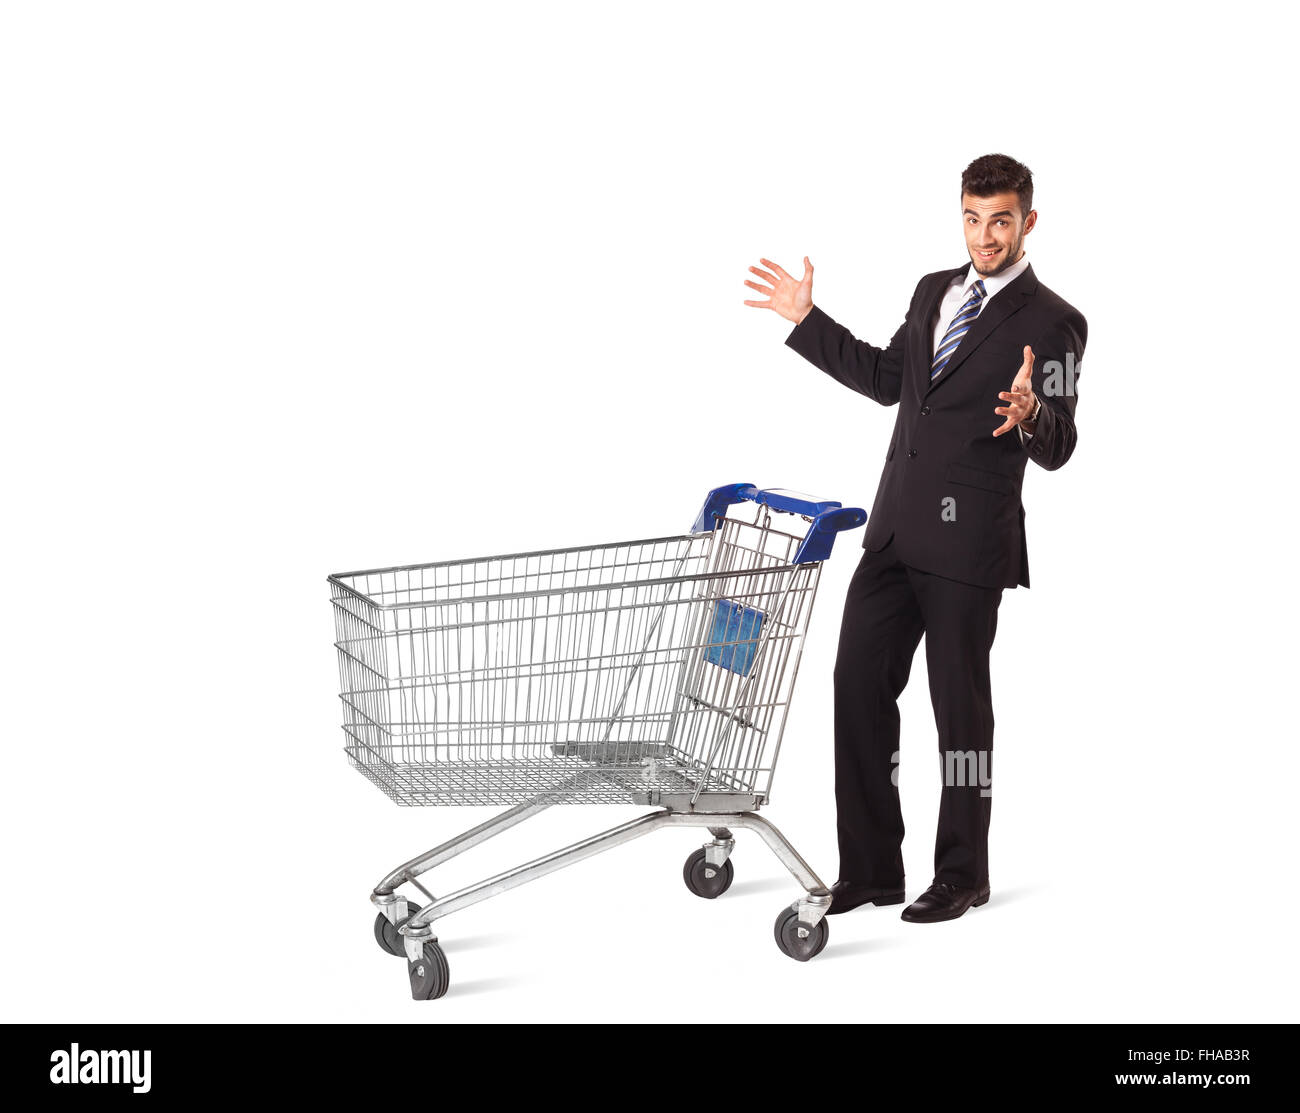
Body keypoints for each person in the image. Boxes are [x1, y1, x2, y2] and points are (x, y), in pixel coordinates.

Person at [743, 153, 1086, 923]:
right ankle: (870, 867)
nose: (984, 235)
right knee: (857, 687)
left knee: (959, 715)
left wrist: (1032, 411)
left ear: (1028, 221)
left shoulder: (1055, 323)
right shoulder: (934, 290)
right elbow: (888, 380)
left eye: (1000, 220)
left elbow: (1061, 443)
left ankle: (963, 872)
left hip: (969, 551)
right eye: (972, 217)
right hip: (895, 529)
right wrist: (807, 320)